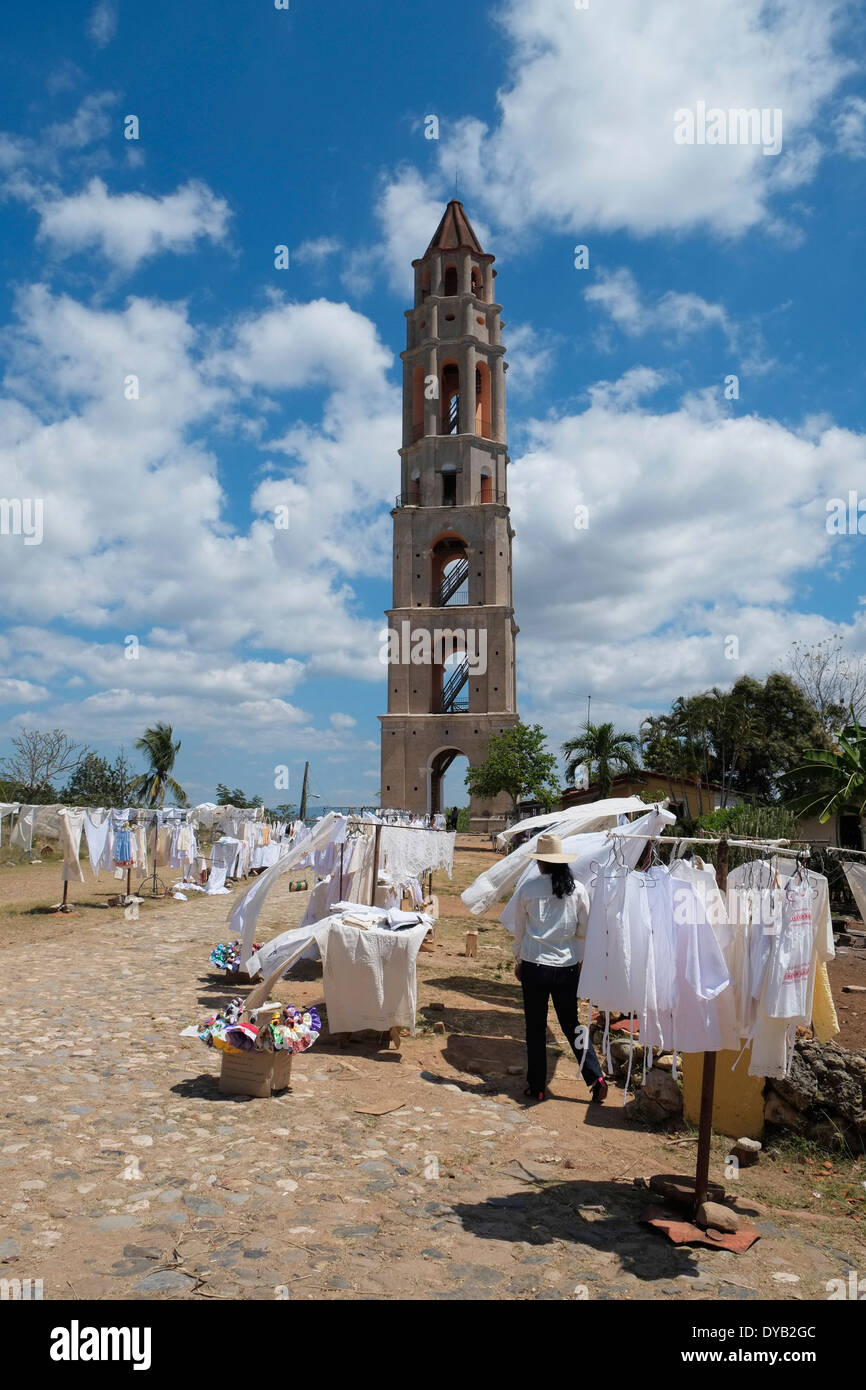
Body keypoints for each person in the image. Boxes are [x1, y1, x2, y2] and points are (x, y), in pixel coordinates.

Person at [508, 832, 607, 1104]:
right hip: (566, 967)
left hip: (534, 965)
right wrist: (579, 959)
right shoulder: (578, 890)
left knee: (536, 1028)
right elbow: (584, 930)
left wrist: (518, 960)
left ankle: (537, 1086)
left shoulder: (528, 889)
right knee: (571, 1024)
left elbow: (519, 932)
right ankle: (595, 1076)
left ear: (540, 862)